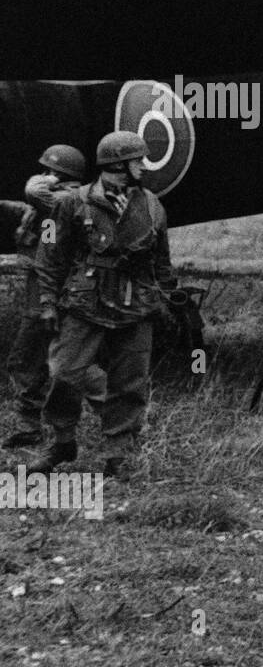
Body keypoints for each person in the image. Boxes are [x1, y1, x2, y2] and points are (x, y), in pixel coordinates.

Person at [29, 132, 176, 479]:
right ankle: (63, 441)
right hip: (85, 301)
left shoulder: (152, 205)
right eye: (137, 160)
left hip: (136, 303)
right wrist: (48, 303)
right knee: (63, 373)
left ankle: (118, 454)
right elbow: (49, 258)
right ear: (119, 164)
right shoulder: (74, 203)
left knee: (130, 383)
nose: (143, 165)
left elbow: (163, 262)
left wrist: (171, 302)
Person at [2, 145, 107, 449]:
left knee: (46, 359)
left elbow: (33, 191)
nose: (44, 175)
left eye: (49, 171)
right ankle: (28, 425)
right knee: (38, 358)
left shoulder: (62, 197)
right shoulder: (61, 201)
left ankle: (117, 420)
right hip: (49, 286)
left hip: (53, 290)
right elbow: (31, 211)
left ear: (60, 175)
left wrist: (44, 180)